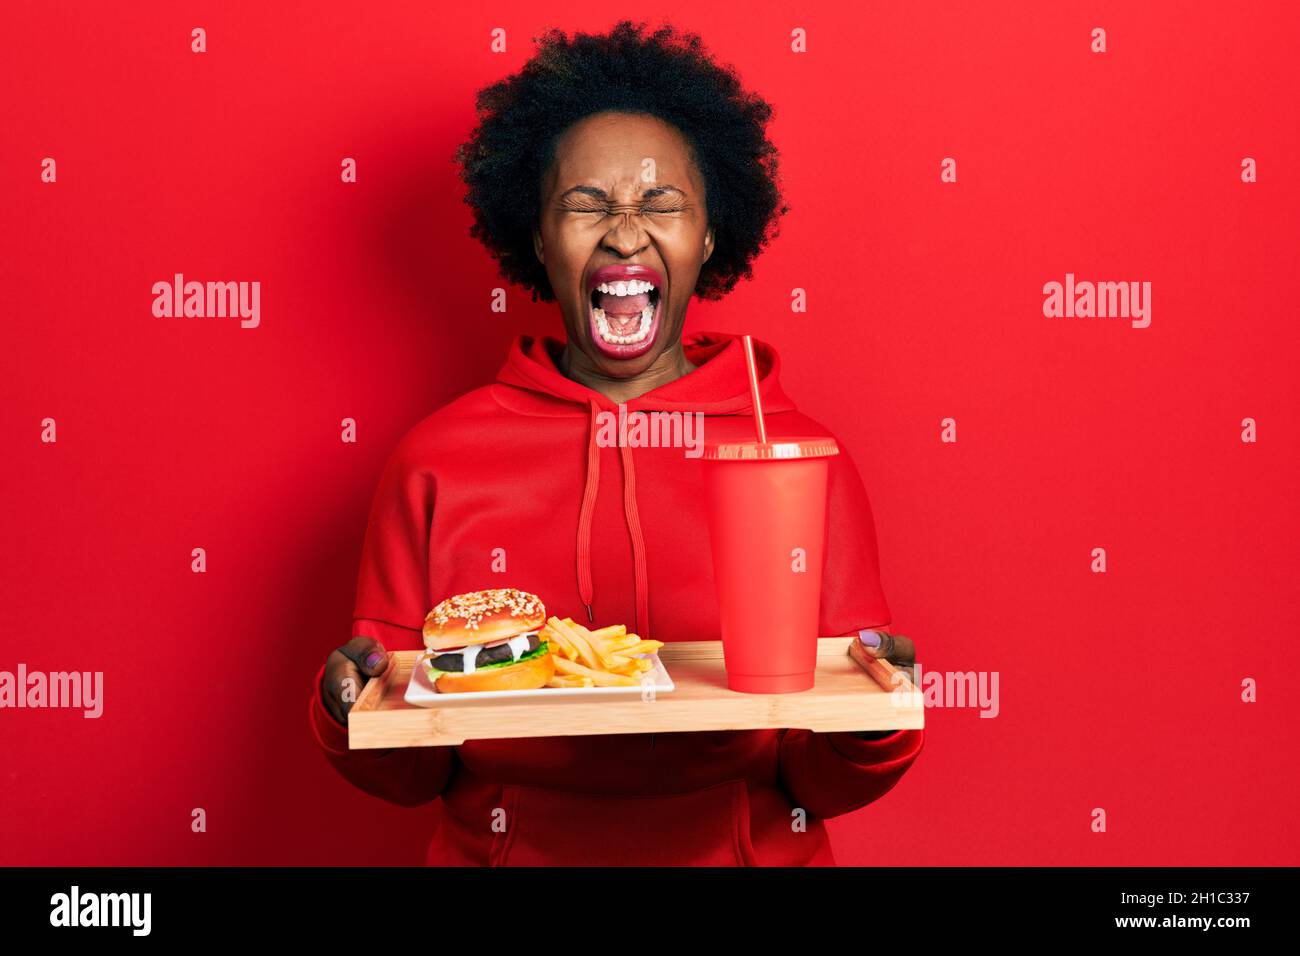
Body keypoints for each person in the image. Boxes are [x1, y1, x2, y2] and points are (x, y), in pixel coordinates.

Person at [309, 20, 923, 866]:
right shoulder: (434, 460)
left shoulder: (799, 457)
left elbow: (820, 776)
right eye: (586, 204)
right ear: (537, 239)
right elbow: (413, 767)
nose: (625, 233)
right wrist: (347, 711)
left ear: (709, 237)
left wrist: (875, 718)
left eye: (662, 204)